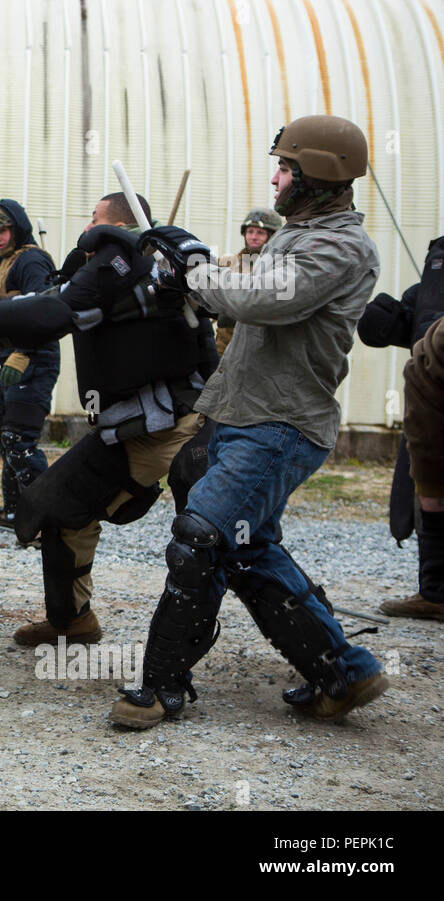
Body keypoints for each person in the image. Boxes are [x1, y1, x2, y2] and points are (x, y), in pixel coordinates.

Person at [111, 114, 389, 728]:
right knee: (246, 546)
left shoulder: (340, 247)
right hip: (236, 414)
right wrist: (189, 265)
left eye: (286, 169)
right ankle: (341, 672)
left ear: (319, 175)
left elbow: (265, 299)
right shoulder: (297, 235)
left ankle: (159, 685)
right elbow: (239, 283)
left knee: (200, 539)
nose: (276, 179)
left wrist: (196, 270)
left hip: (280, 425)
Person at [0, 191, 214, 648]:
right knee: (58, 505)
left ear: (115, 223)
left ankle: (336, 668)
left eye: (94, 218)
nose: (89, 228)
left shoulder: (132, 263)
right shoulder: (151, 264)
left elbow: (52, 312)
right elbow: (56, 302)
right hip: (132, 427)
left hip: (178, 427)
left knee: (230, 544)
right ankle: (72, 622)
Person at [359, 235, 444, 620]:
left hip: (430, 394)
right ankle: (435, 592)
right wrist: (381, 315)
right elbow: (384, 329)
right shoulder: (434, 273)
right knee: (427, 491)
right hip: (429, 402)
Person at [0, 199, 57, 530]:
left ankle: (49, 518)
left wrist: (23, 353)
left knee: (20, 441)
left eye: (3, 230)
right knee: (6, 439)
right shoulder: (7, 261)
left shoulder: (32, 260)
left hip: (32, 360)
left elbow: (44, 308)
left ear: (18, 228)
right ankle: (14, 512)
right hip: (9, 363)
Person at [214, 207, 284, 354]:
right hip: (224, 350)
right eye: (250, 232)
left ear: (272, 236)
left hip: (261, 353)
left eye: (260, 233)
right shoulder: (228, 264)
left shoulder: (280, 269)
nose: (253, 237)